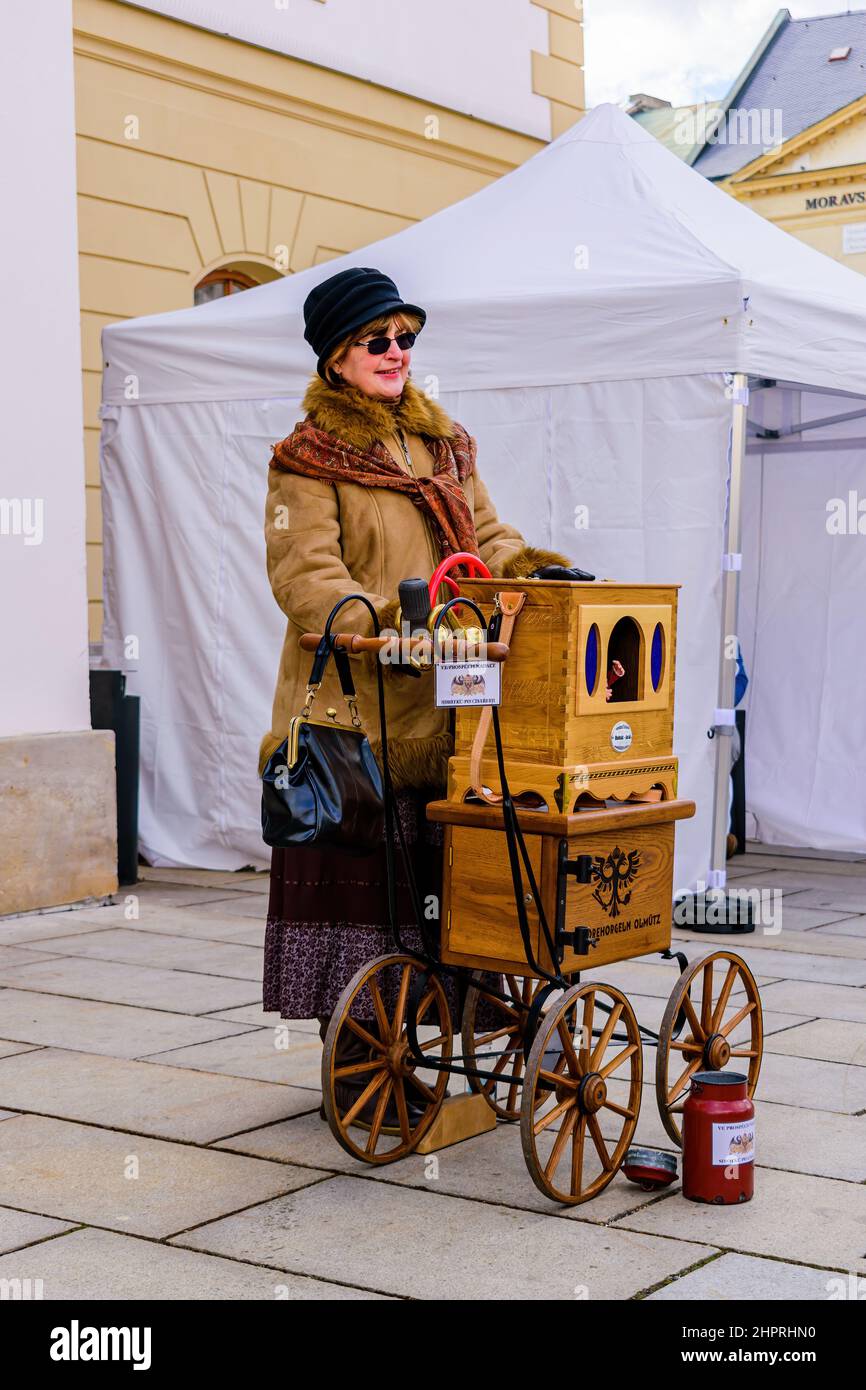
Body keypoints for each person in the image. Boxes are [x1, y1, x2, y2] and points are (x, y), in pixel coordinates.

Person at [259, 266, 582, 1120]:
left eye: (405, 337)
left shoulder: (445, 447)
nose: (396, 352)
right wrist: (376, 626)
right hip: (355, 713)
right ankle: (367, 1062)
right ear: (336, 359)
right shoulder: (305, 462)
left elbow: (490, 536)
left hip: (447, 709)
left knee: (451, 878)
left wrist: (539, 569)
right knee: (373, 893)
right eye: (376, 341)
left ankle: (453, 1019)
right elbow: (304, 577)